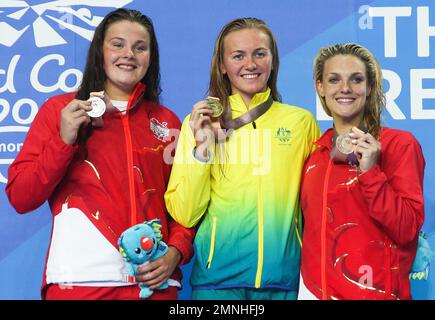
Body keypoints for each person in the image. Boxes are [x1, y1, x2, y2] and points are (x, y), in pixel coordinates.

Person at [5, 8, 195, 300]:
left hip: (153, 287)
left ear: (150, 57)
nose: (128, 54)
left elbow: (185, 204)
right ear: (100, 52)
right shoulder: (60, 111)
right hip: (80, 284)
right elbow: (21, 196)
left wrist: (175, 253)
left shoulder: (167, 122)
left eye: (139, 47)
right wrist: (63, 140)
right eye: (117, 44)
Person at [164, 17, 321, 300]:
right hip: (216, 284)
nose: (250, 64)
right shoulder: (198, 122)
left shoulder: (301, 123)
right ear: (222, 66)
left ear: (273, 60)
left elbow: (316, 206)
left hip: (283, 282)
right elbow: (184, 213)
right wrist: (202, 148)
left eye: (260, 53)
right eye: (238, 56)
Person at [298, 43, 425, 300]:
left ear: (370, 87)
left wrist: (370, 172)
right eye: (334, 80)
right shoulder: (316, 155)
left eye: (356, 80)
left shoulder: (398, 145)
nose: (345, 88)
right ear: (320, 87)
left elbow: (406, 229)